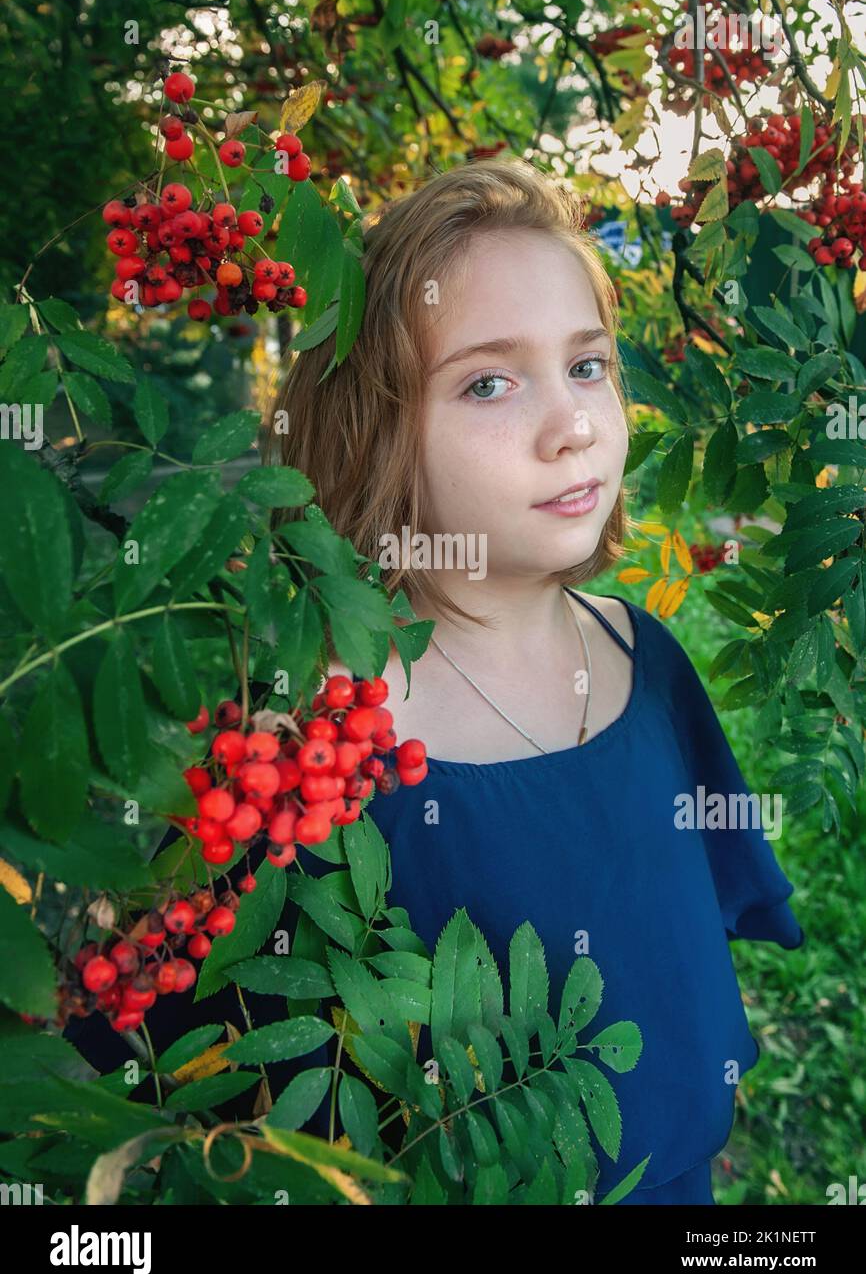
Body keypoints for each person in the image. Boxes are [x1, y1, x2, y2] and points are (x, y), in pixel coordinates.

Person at [263, 156, 806, 1204]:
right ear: (371, 428)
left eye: (589, 365)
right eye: (487, 382)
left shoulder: (644, 661)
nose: (573, 426)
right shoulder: (318, 749)